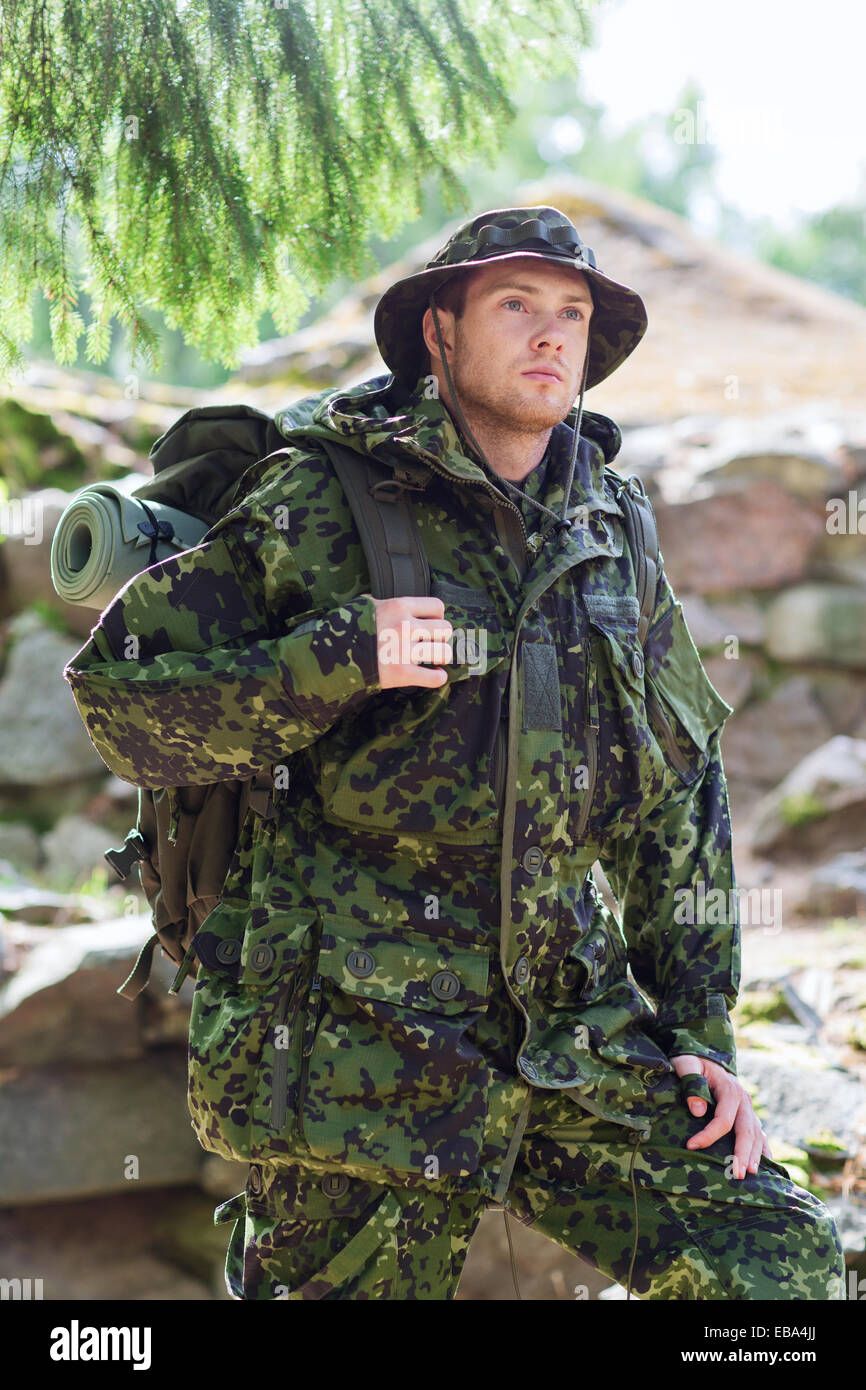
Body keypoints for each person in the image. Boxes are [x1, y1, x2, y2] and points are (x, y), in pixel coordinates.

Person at [63, 205, 846, 1301]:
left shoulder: (608, 522)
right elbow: (121, 704)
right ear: (439, 330)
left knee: (775, 1269)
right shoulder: (317, 502)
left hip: (567, 1037)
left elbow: (677, 787)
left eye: (569, 313)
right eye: (514, 305)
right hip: (355, 1054)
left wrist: (699, 1026)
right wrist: (329, 657)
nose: (548, 336)